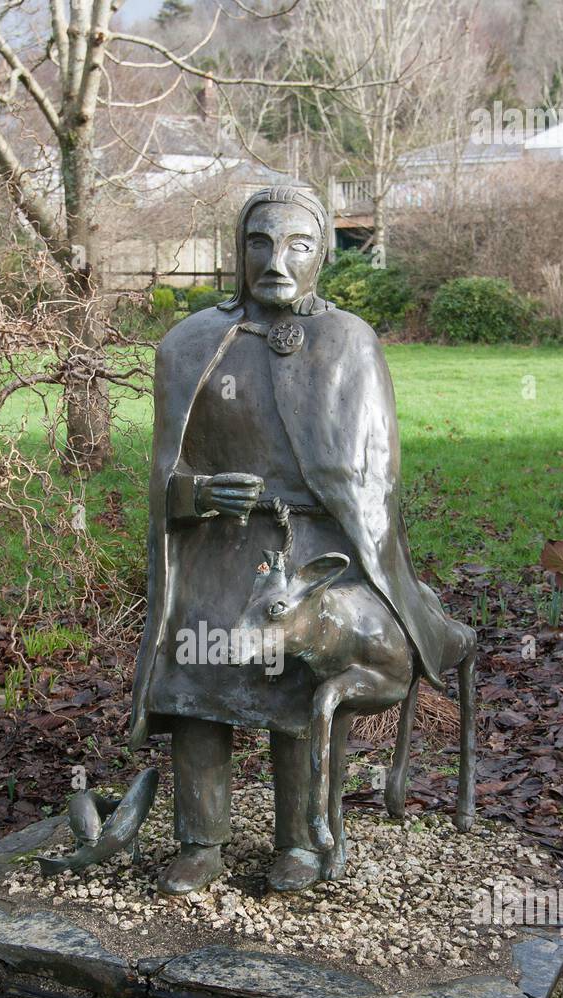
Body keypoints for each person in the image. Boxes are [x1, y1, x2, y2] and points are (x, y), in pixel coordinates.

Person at [130, 186, 445, 895]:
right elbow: (162, 475)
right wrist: (200, 494)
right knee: (195, 680)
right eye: (260, 243)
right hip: (213, 545)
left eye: (298, 245)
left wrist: (357, 556)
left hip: (310, 550)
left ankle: (300, 839)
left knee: (301, 687)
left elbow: (376, 474)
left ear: (323, 256)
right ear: (237, 253)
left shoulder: (349, 341)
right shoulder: (189, 345)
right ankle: (199, 838)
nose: (277, 260)